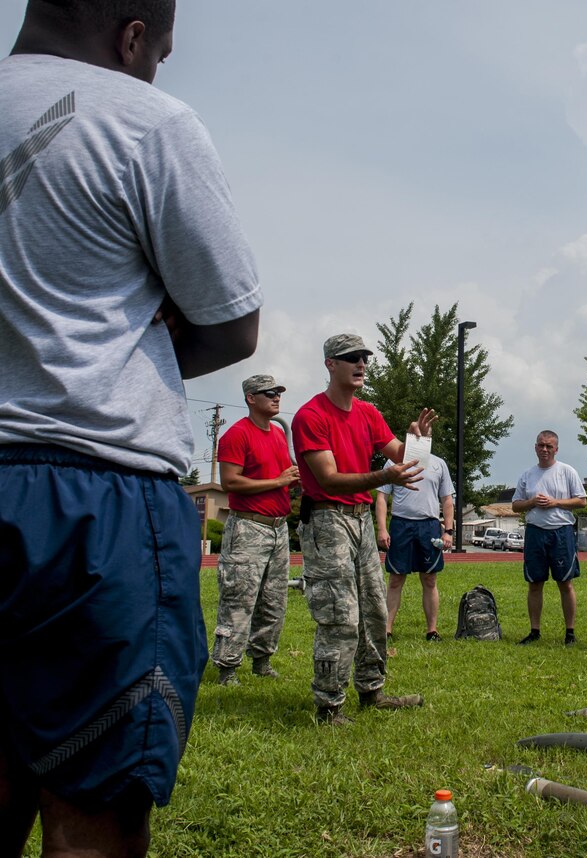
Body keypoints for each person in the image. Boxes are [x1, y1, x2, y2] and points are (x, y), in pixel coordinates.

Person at [0, 0, 261, 851]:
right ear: (134, 36)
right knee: (93, 818)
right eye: (161, 53)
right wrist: (120, 342)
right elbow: (231, 324)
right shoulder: (147, 121)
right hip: (95, 493)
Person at [292, 334, 431, 725]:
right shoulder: (310, 416)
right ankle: (329, 706)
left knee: (373, 608)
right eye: (351, 357)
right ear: (330, 364)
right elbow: (329, 478)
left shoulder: (368, 412)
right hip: (327, 518)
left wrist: (418, 441)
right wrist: (383, 477)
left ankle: (373, 692)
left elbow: (403, 457)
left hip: (360, 518)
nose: (361, 364)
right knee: (340, 613)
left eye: (365, 357)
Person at [211, 375, 299, 686]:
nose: (276, 397)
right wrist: (278, 481)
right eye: (269, 393)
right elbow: (230, 482)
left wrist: (293, 481)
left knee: (274, 599)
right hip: (248, 526)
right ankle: (227, 668)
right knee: (239, 598)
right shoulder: (237, 434)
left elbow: (283, 476)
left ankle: (262, 660)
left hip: (278, 528)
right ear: (251, 398)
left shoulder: (278, 434)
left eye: (278, 392)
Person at [511, 430, 587, 645]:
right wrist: (532, 502)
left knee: (565, 583)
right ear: (535, 447)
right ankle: (534, 631)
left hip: (561, 531)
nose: (544, 449)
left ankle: (570, 633)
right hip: (535, 532)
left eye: (549, 446)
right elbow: (516, 505)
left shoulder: (567, 471)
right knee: (535, 583)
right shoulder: (527, 475)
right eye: (541, 445)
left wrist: (555, 502)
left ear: (556, 449)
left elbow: (582, 501)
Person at [374, 446, 455, 642]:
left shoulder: (439, 463)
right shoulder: (393, 462)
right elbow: (382, 498)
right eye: (416, 433)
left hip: (429, 526)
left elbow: (446, 499)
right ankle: (386, 630)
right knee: (395, 579)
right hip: (401, 525)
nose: (421, 437)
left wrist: (448, 531)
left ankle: (432, 630)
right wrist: (382, 529)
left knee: (429, 579)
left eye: (426, 433)